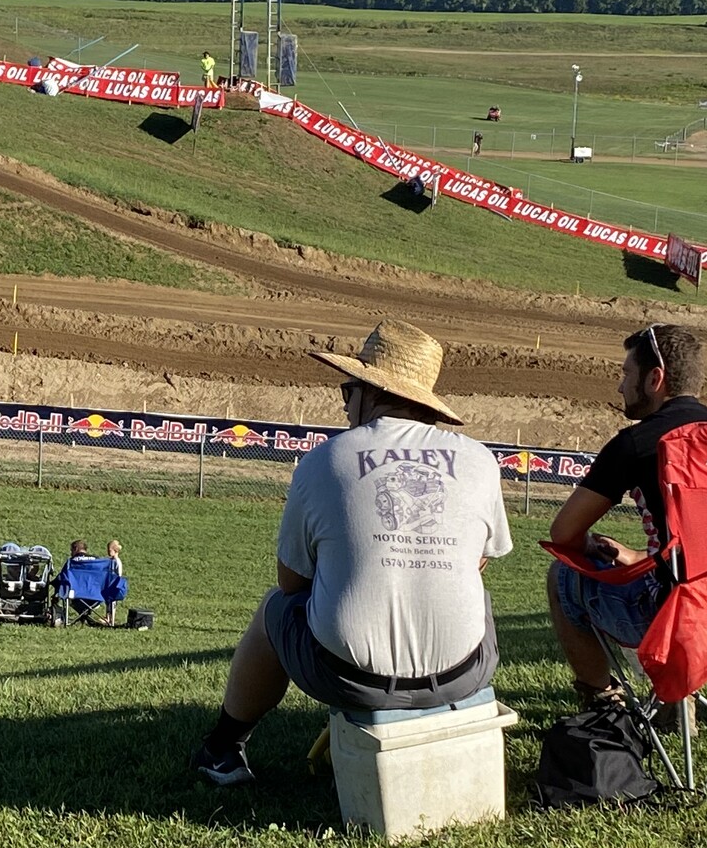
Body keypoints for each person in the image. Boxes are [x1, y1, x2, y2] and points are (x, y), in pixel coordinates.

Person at [191, 319, 512, 786]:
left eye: (348, 391)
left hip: (345, 678)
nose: (344, 405)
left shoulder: (326, 459)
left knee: (274, 608)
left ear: (371, 392)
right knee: (475, 591)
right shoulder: (480, 459)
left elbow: (291, 583)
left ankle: (223, 747)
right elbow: (479, 560)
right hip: (463, 675)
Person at [545, 323, 707, 708]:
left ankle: (603, 700)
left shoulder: (637, 444)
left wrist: (590, 546)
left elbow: (564, 533)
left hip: (675, 619)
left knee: (563, 576)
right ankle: (675, 696)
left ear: (655, 379)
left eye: (626, 374)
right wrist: (642, 557)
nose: (619, 387)